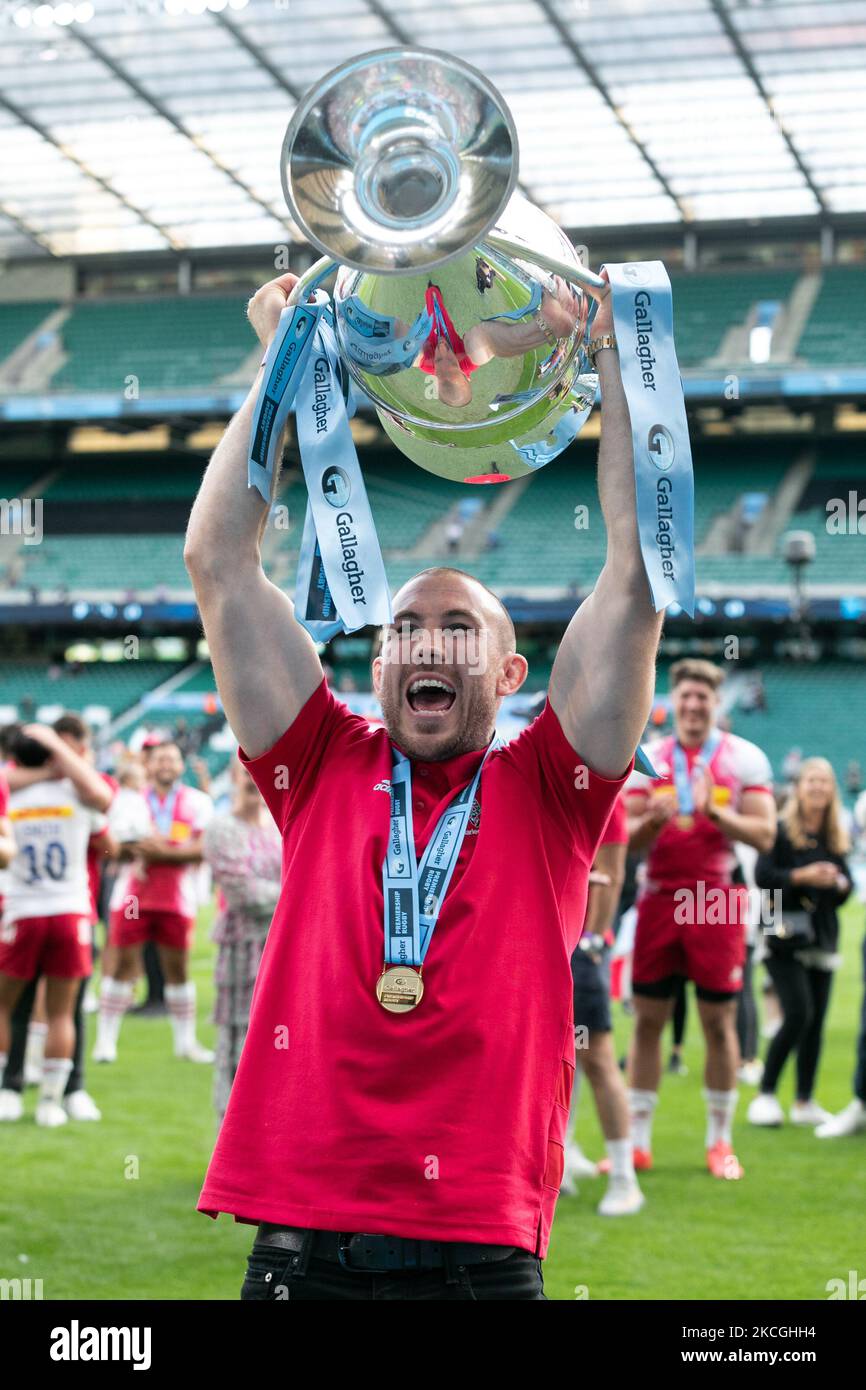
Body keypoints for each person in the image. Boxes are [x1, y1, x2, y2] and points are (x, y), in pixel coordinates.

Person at [183, 266, 661, 1301]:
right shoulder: (317, 760)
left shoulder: (555, 785)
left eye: (456, 628)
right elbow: (220, 563)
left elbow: (630, 583)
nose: (421, 643)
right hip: (300, 1247)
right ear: (376, 660)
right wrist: (284, 364)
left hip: (480, 1257)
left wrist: (622, 357)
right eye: (401, 626)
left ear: (507, 674)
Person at [625, 660, 776, 1179]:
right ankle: (638, 1143)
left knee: (718, 1020)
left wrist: (719, 815)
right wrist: (649, 822)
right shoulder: (651, 757)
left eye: (703, 699)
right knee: (648, 1020)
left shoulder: (744, 758)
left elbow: (765, 834)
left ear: (716, 704)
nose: (693, 706)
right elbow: (624, 835)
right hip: (660, 897)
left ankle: (720, 1142)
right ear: (675, 699)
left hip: (718, 899)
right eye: (685, 697)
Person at [1, 713, 114, 1121]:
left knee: (7, 1006)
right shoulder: (77, 791)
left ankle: (8, 1094)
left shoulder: (9, 795)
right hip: (70, 910)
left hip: (20, 909)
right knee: (64, 1012)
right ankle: (51, 1102)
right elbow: (103, 800)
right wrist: (58, 754)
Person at [93, 741, 213, 1064]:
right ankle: (106, 1041)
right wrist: (147, 849)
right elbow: (111, 848)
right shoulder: (129, 801)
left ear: (180, 764)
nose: (165, 764)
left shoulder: (198, 802)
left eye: (171, 758)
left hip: (177, 897)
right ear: (149, 765)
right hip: (133, 895)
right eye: (159, 758)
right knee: (121, 966)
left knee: (177, 969)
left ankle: (185, 1043)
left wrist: (160, 852)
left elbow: (204, 849)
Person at [749, 758, 852, 1128]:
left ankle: (804, 1099)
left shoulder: (834, 835)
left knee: (816, 1022)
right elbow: (764, 876)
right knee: (798, 1012)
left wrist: (836, 883)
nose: (818, 787)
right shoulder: (778, 830)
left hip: (821, 935)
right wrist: (804, 876)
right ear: (799, 786)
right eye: (812, 780)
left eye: (825, 781)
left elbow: (847, 887)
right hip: (782, 933)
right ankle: (765, 1092)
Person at [562, 792, 645, 1217]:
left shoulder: (604, 790)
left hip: (580, 949)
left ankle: (624, 1178)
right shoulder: (546, 775)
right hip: (544, 944)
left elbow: (610, 876)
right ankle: (562, 1157)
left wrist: (589, 945)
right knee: (558, 1056)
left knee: (597, 1058)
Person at [202, 758, 282, 1120]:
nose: (253, 781)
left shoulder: (281, 824)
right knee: (241, 1039)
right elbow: (242, 894)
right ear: (233, 777)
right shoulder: (220, 829)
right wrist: (297, 894)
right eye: (245, 774)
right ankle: (231, 1135)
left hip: (284, 950)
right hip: (243, 952)